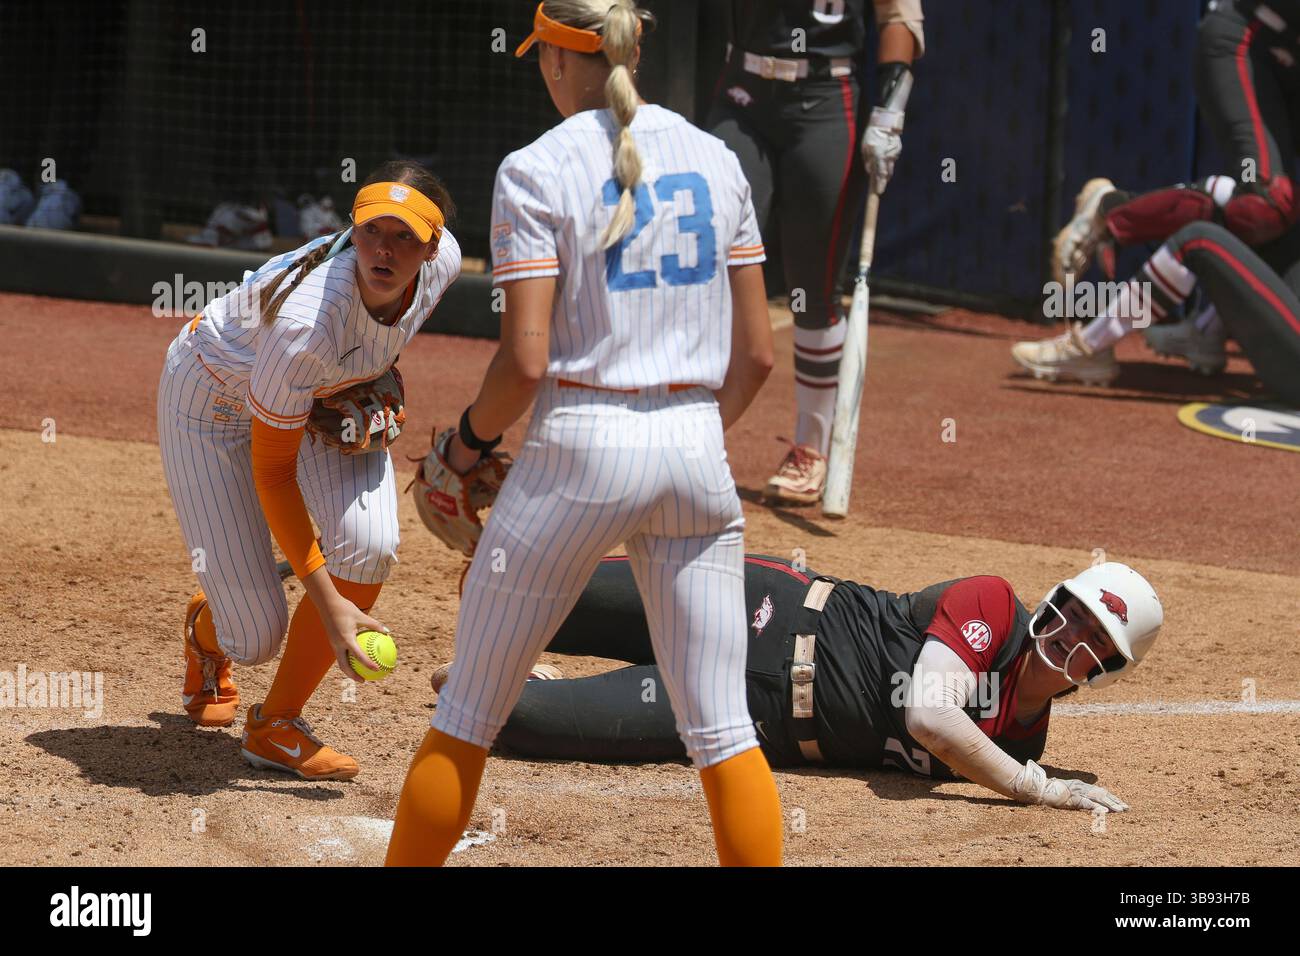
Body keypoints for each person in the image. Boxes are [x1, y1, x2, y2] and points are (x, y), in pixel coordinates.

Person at [385, 0, 781, 867]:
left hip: (578, 451)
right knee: (722, 732)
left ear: (563, 60)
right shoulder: (718, 158)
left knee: (467, 719)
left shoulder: (535, 167)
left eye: (543, 57)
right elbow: (756, 355)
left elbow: (524, 365)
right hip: (696, 457)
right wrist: (686, 438)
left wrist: (462, 448)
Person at [430, 555, 1162, 814]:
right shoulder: (994, 604)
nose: (1074, 636)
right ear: (1055, 602)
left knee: (502, 717)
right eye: (1075, 615)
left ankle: (539, 684)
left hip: (748, 717)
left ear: (1106, 670)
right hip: (763, 613)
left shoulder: (1025, 737)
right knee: (517, 589)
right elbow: (931, 717)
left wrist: (1029, 770)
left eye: (1098, 641)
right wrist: (1035, 788)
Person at [157, 160, 461, 780]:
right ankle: (209, 626)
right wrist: (329, 605)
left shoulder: (444, 264)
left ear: (433, 246)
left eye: (406, 236)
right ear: (352, 228)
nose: (386, 249)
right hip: (210, 399)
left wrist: (364, 374)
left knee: (370, 548)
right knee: (256, 637)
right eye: (375, 230)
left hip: (311, 395)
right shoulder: (306, 323)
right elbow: (274, 474)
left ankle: (275, 725)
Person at [706, 1, 924, 505]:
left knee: (812, 287)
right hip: (743, 93)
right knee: (710, 261)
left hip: (826, 98)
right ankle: (689, 434)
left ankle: (812, 447)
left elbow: (898, 17)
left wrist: (890, 110)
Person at [1020, 0, 1300, 382]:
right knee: (1266, 203)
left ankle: (1201, 329)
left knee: (1257, 219)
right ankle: (1112, 222)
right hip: (1250, 38)